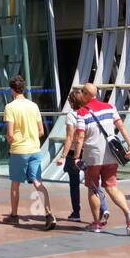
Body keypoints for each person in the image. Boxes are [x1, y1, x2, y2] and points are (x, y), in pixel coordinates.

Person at [72, 83, 130, 235]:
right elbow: (121, 126)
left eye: (82, 92)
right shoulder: (110, 107)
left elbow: (80, 136)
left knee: (93, 188)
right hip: (111, 154)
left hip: (93, 156)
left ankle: (96, 223)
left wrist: (76, 157)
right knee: (111, 187)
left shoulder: (82, 112)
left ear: (86, 94)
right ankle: (127, 212)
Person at [3, 74, 56, 230]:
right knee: (37, 182)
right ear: (23, 88)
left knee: (15, 184)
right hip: (34, 148)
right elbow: (41, 131)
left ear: (12, 89)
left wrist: (10, 140)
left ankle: (14, 216)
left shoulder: (10, 107)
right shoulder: (33, 106)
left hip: (19, 150)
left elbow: (10, 134)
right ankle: (48, 214)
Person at [56, 87, 109, 224]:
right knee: (94, 183)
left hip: (75, 153)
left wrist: (63, 155)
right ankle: (104, 208)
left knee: (74, 184)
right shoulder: (89, 112)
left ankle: (76, 213)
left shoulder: (71, 115)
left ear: (72, 102)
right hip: (89, 151)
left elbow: (70, 138)